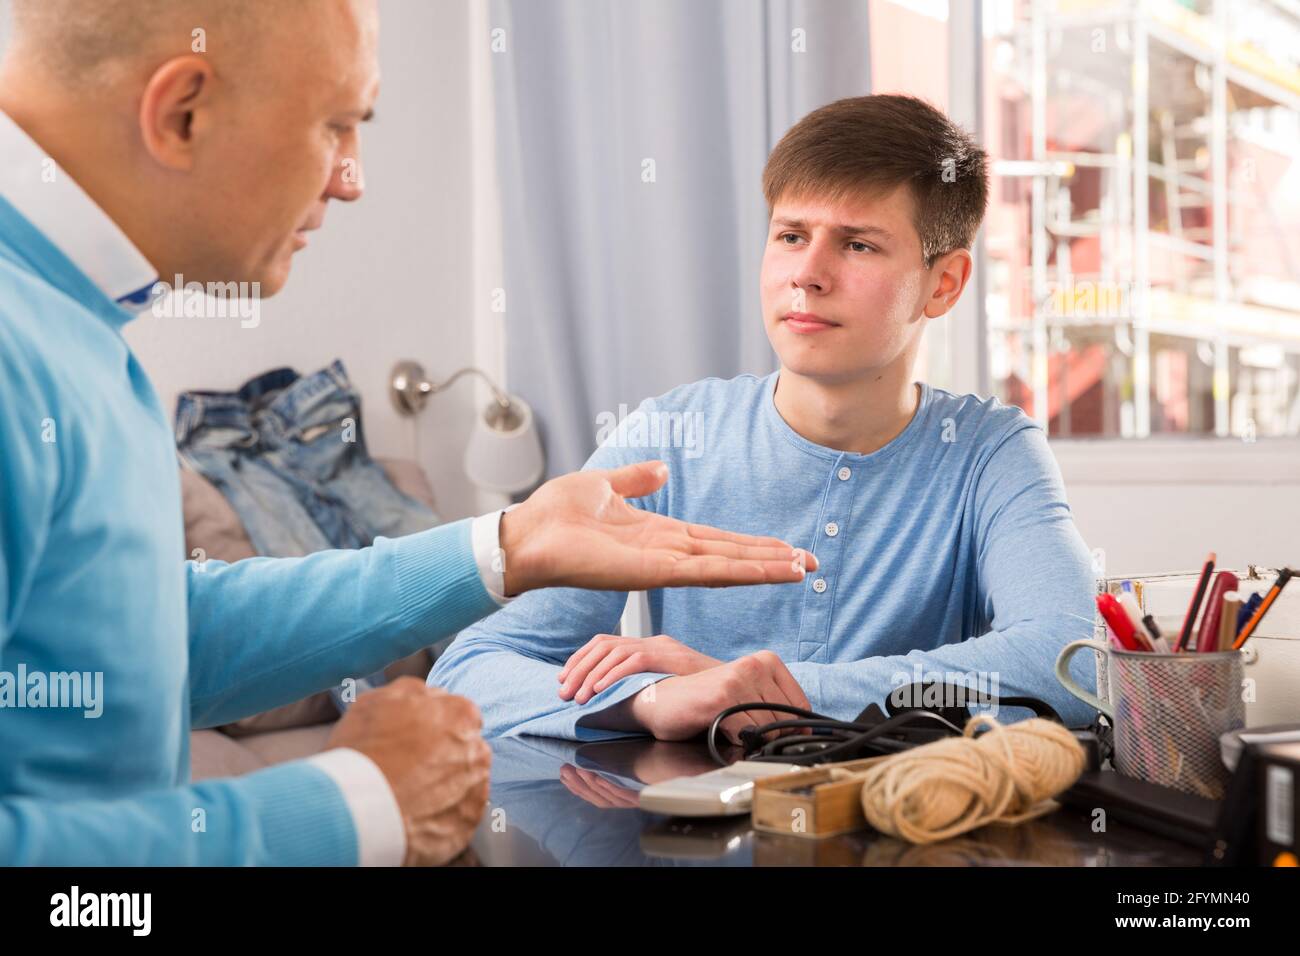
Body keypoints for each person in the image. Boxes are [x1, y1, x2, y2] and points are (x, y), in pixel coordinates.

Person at [0, 0, 815, 867]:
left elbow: (157, 638)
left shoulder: (71, 322)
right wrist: (354, 803)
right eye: (336, 125)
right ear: (182, 112)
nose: (350, 179)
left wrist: (504, 547)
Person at [430, 94, 1100, 742]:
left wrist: (776, 693)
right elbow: (468, 674)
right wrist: (650, 699)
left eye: (858, 245)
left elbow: (1070, 664)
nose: (806, 273)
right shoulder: (666, 440)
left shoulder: (993, 452)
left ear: (944, 283)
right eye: (790, 235)